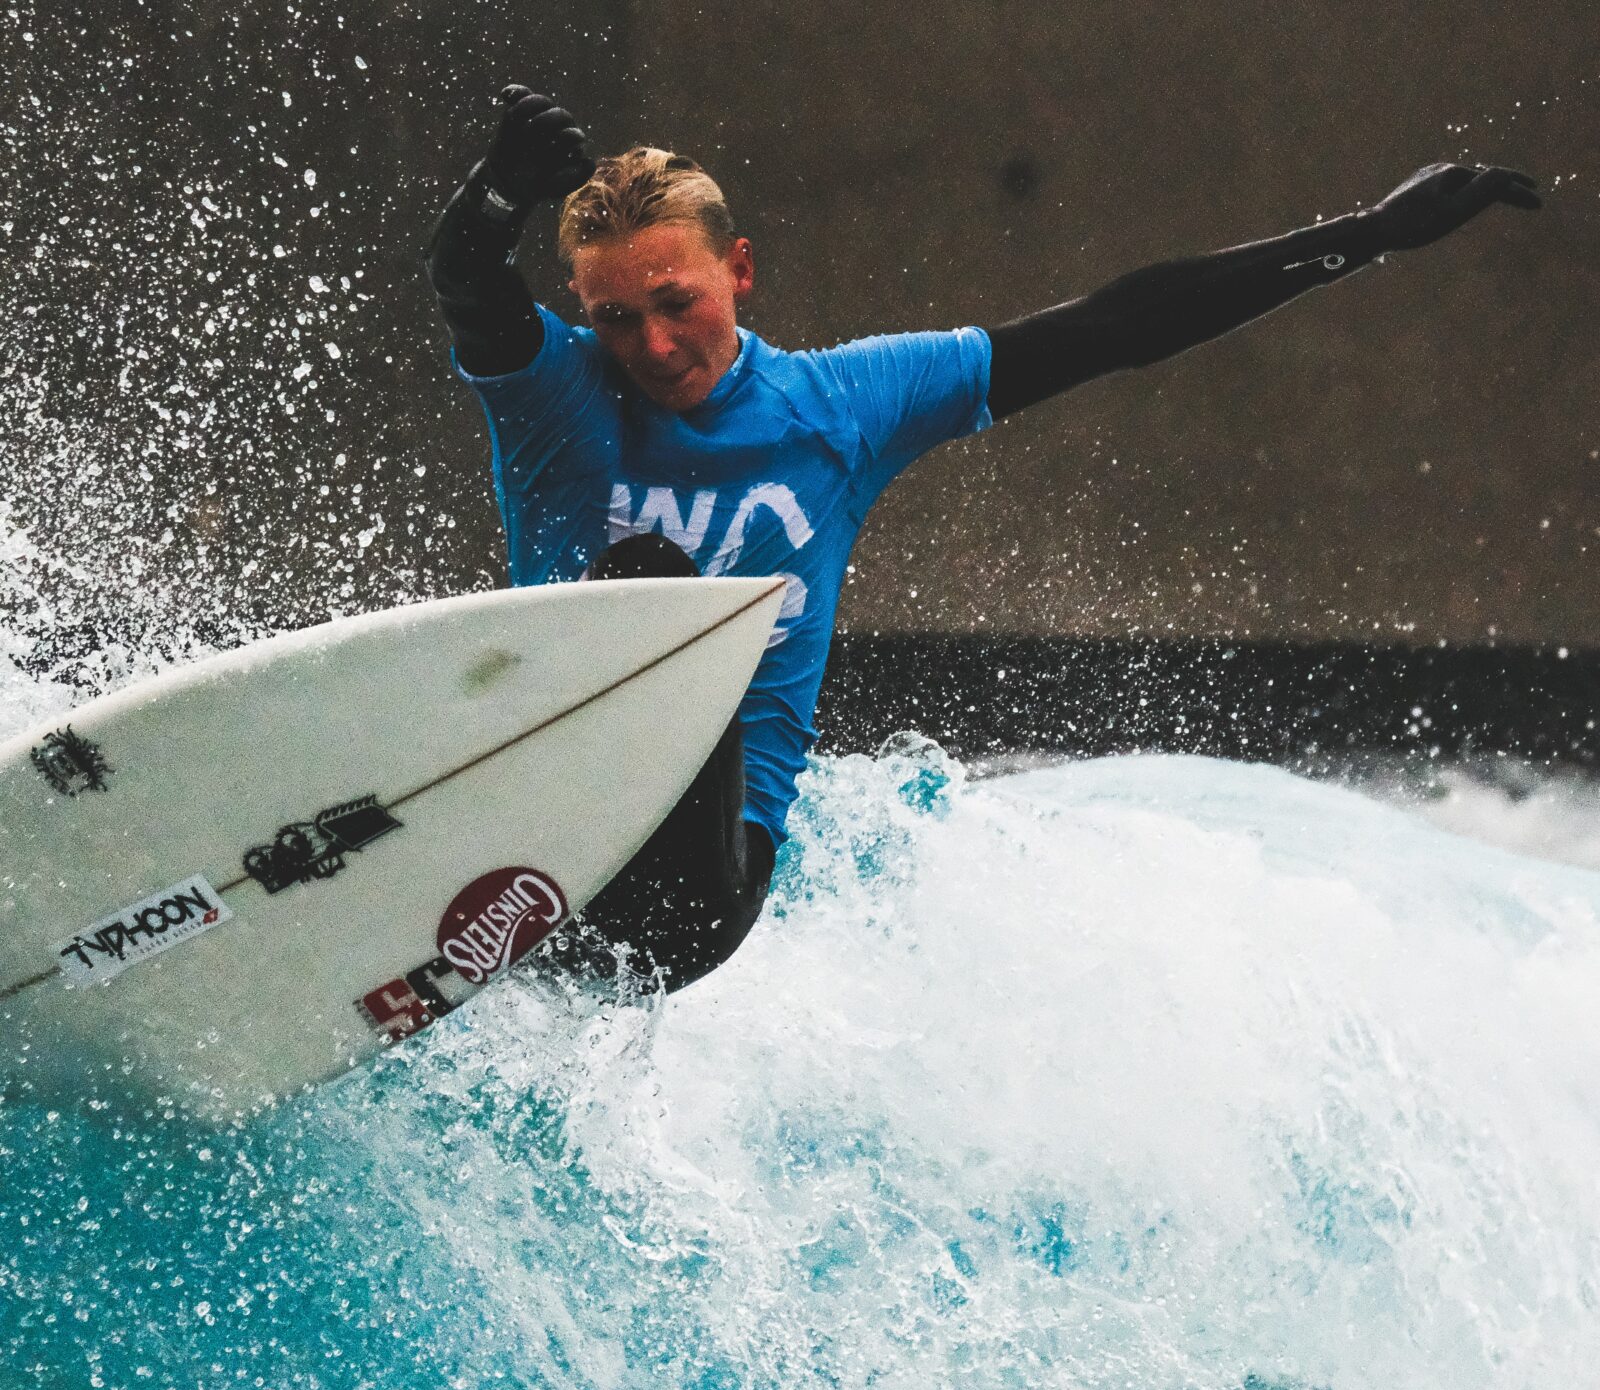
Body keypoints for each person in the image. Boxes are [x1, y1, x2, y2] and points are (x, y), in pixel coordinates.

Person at [428, 86, 1539, 992]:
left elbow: (1117, 326)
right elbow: (471, 291)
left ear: (741, 271)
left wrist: (1368, 237)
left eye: (677, 301)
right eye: (615, 317)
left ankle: (508, 910)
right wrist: (491, 200)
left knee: (652, 581)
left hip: (695, 897)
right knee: (628, 590)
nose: (654, 344)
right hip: (540, 820)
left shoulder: (843, 408)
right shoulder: (556, 396)